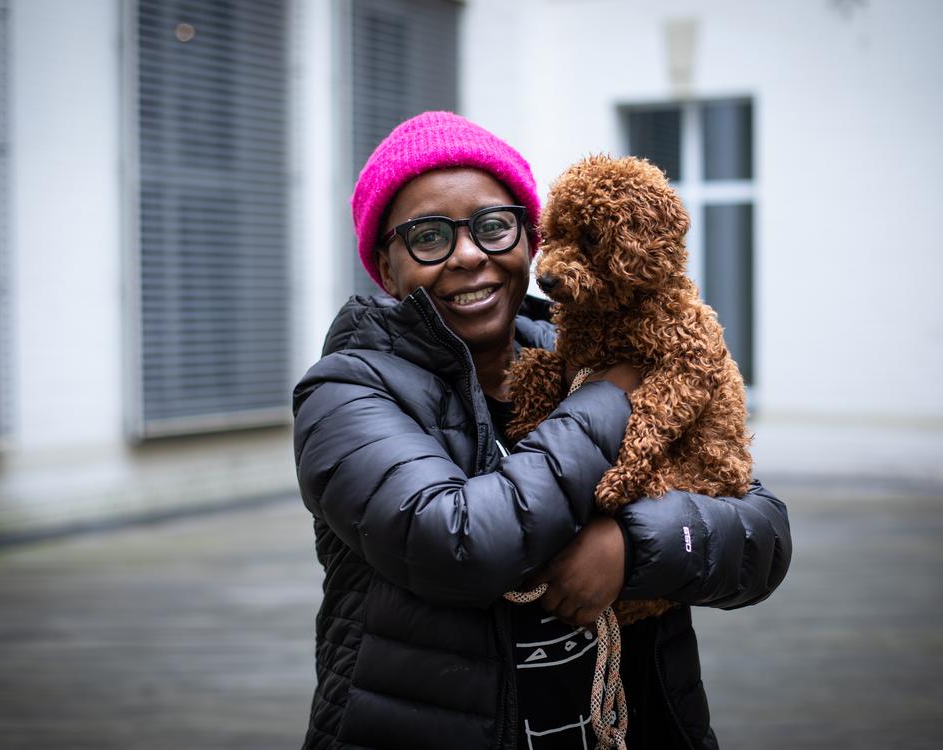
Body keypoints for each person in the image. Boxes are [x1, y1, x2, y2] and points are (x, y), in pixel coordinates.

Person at [293, 111, 791, 750]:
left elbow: (764, 537)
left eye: (493, 227)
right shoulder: (345, 392)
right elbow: (459, 542)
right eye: (428, 236)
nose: (469, 255)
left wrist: (634, 548)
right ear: (386, 269)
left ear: (532, 241)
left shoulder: (579, 349)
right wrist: (613, 394)